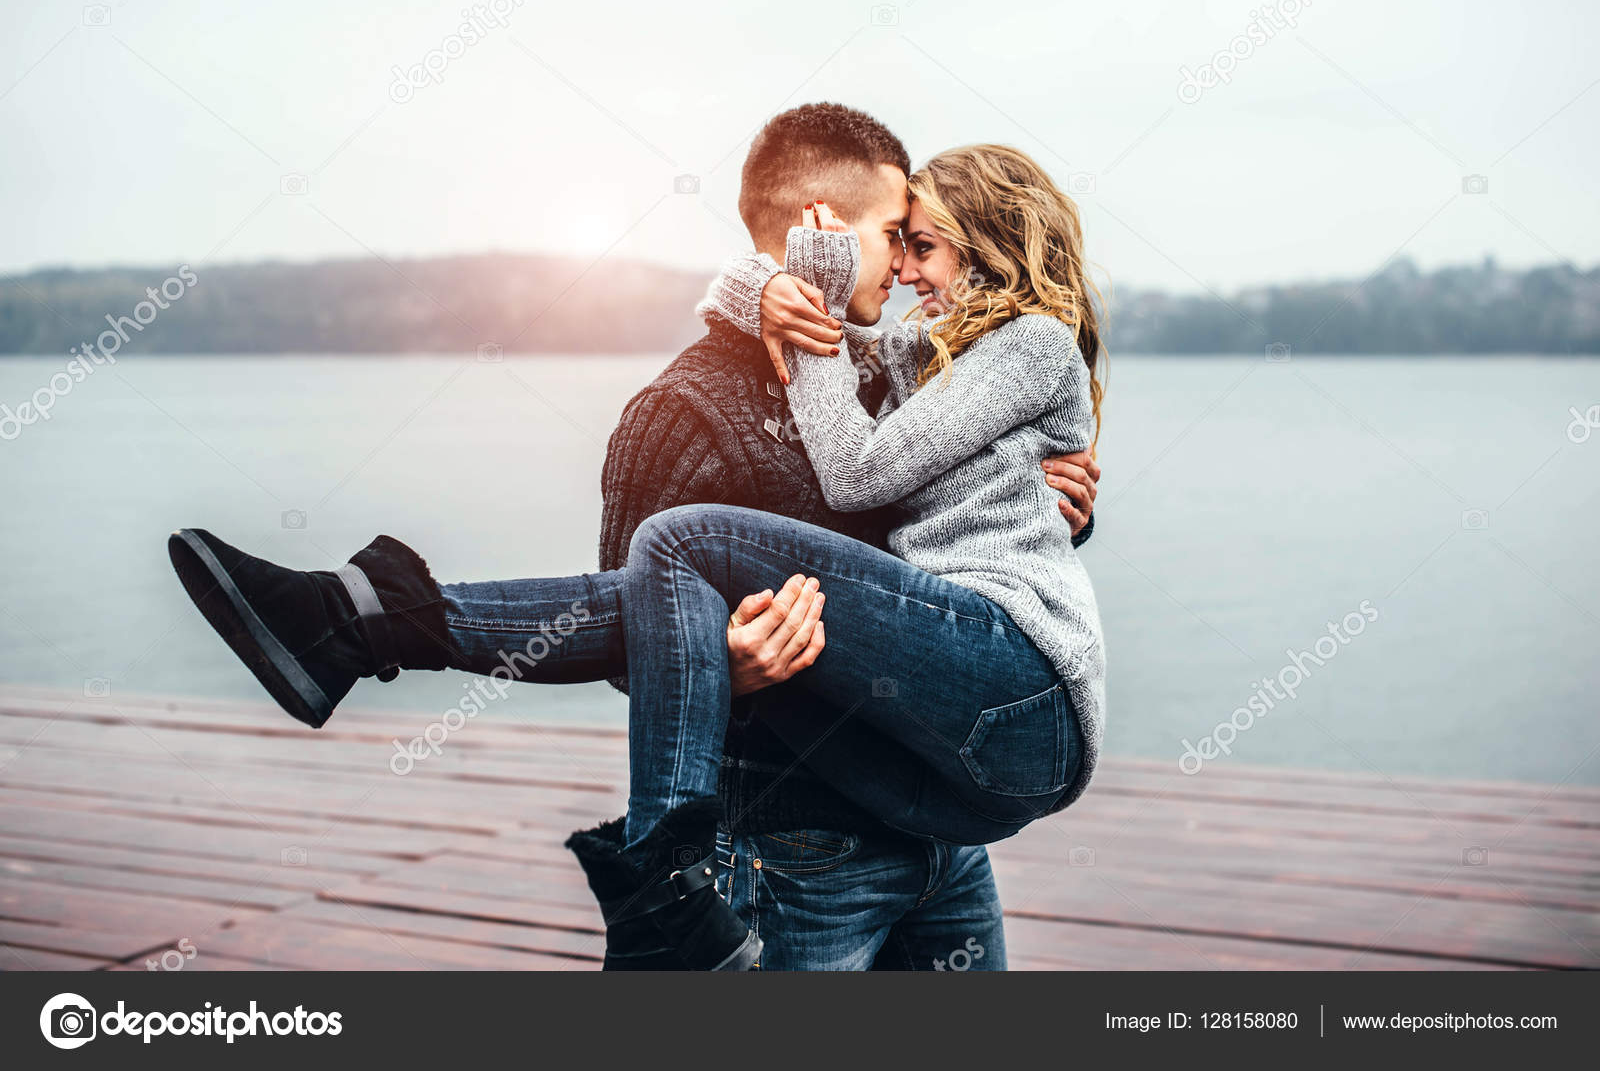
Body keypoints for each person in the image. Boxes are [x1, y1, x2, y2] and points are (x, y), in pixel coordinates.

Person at [167, 114, 1105, 972]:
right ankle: (372, 621)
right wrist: (728, 667)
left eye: (919, 242)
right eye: (896, 236)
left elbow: (940, 534)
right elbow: (643, 638)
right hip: (798, 853)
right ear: (817, 234)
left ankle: (369, 618)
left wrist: (1047, 495)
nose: (903, 266)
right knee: (674, 554)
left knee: (685, 547)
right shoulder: (684, 413)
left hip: (935, 824)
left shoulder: (882, 368)